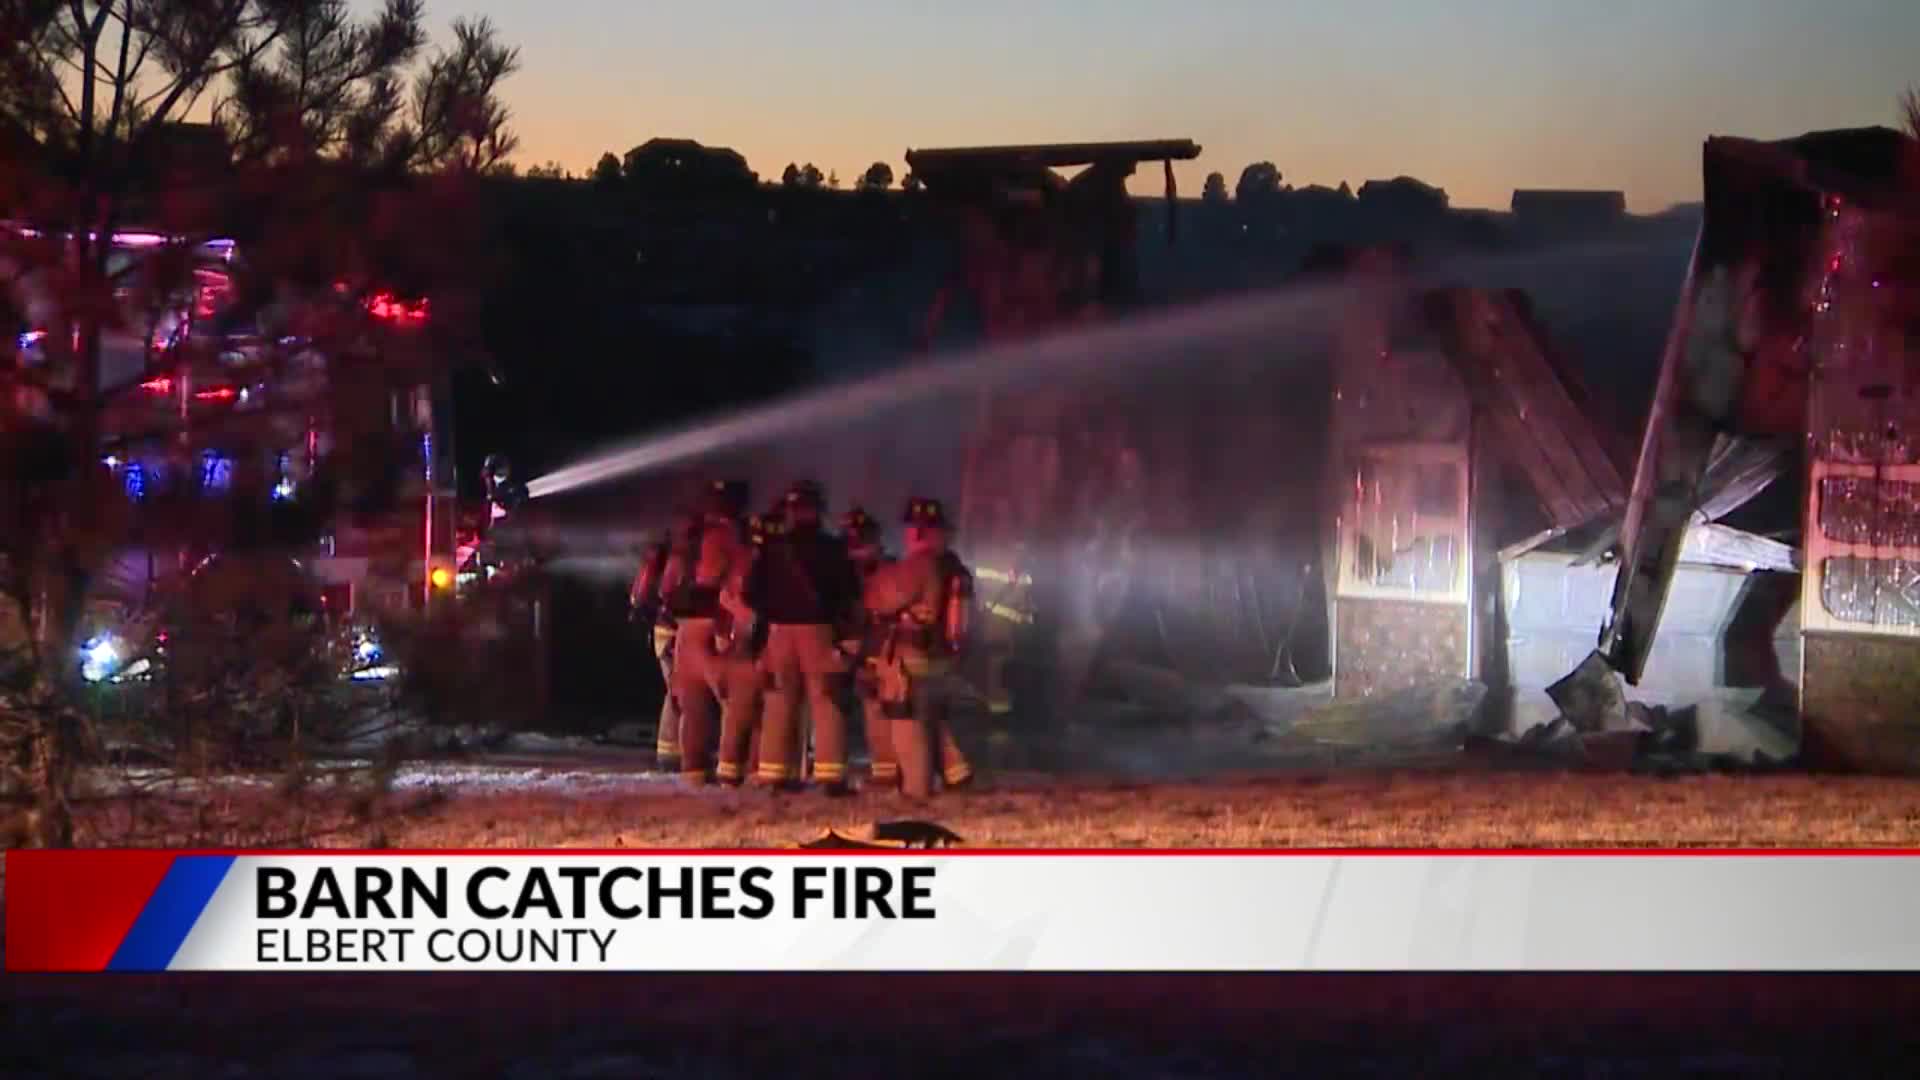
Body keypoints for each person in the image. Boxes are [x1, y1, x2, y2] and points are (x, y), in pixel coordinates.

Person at [858, 497, 976, 800]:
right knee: (932, 720)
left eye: (911, 529)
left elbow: (879, 600)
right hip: (942, 660)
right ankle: (957, 775)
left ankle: (916, 790)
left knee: (907, 726)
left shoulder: (918, 565)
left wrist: (874, 581)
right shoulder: (953, 564)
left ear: (920, 532)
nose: (908, 534)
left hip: (914, 659)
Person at [747, 480, 860, 792]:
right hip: (818, 632)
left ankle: (774, 774)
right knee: (826, 703)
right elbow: (849, 593)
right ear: (818, 511)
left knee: (779, 703)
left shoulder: (770, 550)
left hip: (779, 634)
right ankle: (830, 776)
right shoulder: (833, 548)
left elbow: (751, 594)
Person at [663, 479, 754, 786]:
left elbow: (666, 588)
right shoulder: (730, 539)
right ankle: (730, 772)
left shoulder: (686, 542)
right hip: (719, 630)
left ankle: (693, 773)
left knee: (693, 708)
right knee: (738, 704)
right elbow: (743, 583)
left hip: (685, 635)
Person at [629, 507, 695, 773]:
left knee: (678, 690)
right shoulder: (678, 559)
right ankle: (670, 754)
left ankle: (673, 751)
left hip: (665, 630)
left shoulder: (665, 556)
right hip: (671, 631)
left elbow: (640, 598)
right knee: (678, 691)